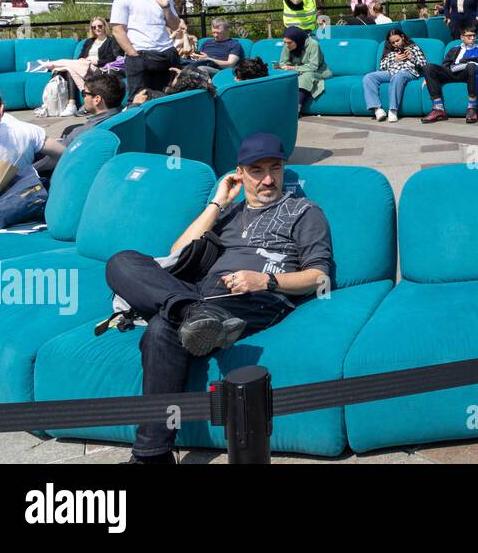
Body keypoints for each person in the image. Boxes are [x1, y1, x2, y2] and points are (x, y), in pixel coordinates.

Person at [103, 133, 331, 464]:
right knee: (120, 261)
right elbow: (178, 252)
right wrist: (218, 203)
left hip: (253, 298)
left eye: (275, 169)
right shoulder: (229, 213)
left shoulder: (303, 211)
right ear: (240, 172)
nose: (268, 179)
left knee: (160, 330)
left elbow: (319, 276)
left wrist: (266, 280)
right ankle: (190, 312)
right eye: (257, 170)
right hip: (199, 294)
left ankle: (151, 455)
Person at [0, 86, 62, 228]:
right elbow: (63, 155)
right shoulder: (27, 130)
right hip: (18, 202)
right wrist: (34, 168)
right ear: (1, 109)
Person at [110, 0, 181, 102]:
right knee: (139, 100)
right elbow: (118, 30)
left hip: (167, 53)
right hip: (141, 55)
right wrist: (133, 54)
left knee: (170, 98)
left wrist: (166, 7)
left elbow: (175, 25)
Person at [420, 26, 478, 125]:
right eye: (469, 36)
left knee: (471, 66)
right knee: (429, 67)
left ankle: (472, 108)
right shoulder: (454, 49)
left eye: (474, 35)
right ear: (462, 37)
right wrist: (429, 77)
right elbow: (445, 66)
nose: (472, 38)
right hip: (451, 73)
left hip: (466, 74)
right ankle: (438, 109)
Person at [44, 17, 121, 94]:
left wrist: (96, 61)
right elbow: (80, 56)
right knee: (67, 69)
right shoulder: (89, 41)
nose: (97, 29)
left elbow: (112, 59)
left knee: (62, 68)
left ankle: (53, 64)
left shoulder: (111, 41)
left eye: (100, 26)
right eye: (94, 27)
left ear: (105, 26)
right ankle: (72, 102)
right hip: (84, 65)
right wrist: (82, 59)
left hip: (98, 67)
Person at [363, 29, 427, 123]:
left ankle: (393, 110)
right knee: (369, 77)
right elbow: (382, 67)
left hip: (407, 72)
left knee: (398, 76)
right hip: (391, 72)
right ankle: (377, 109)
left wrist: (411, 57)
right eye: (393, 42)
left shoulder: (413, 48)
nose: (396, 44)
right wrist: (394, 59)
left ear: (402, 37)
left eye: (397, 40)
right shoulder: (389, 51)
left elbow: (424, 64)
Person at [275, 26, 332, 115]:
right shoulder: (288, 44)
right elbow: (283, 62)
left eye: (289, 43)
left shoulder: (313, 45)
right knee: (281, 75)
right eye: (285, 42)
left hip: (318, 71)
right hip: (296, 69)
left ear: (297, 40)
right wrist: (284, 68)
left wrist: (294, 68)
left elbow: (313, 67)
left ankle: (297, 108)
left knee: (307, 76)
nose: (287, 45)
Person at [61, 71, 126, 146]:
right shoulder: (126, 116)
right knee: (69, 129)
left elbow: (58, 152)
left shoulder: (81, 133)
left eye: (84, 94)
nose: (84, 98)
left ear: (97, 99)